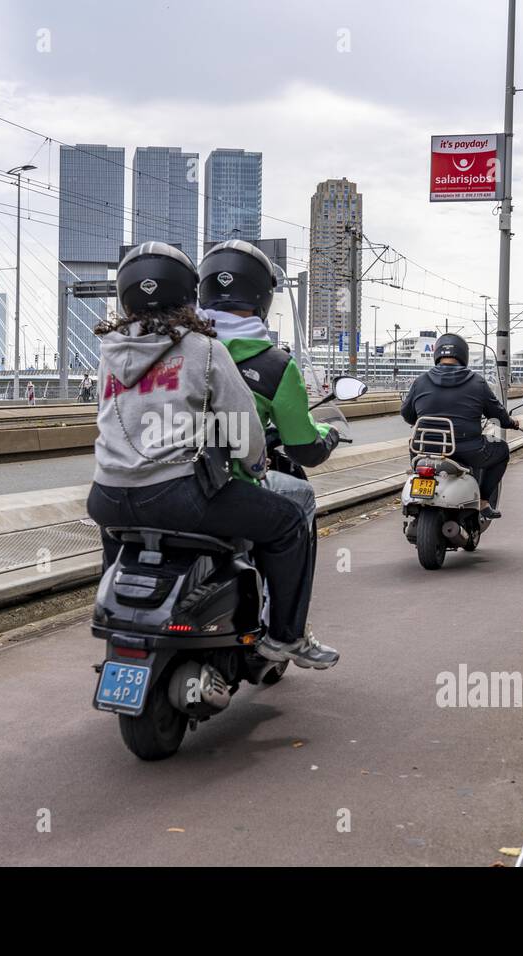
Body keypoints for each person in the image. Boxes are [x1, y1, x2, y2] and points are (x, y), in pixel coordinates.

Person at [87, 241, 338, 669]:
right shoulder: (204, 350)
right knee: (287, 521)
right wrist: (256, 467)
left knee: (122, 532)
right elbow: (245, 432)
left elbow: (106, 416)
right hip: (178, 495)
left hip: (106, 497)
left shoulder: (109, 354)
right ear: (189, 294)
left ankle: (122, 625)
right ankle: (285, 636)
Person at [197, 239, 341, 526]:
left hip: (164, 485)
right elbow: (303, 447)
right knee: (302, 496)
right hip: (229, 487)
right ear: (263, 294)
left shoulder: (180, 348)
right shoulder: (274, 364)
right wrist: (327, 435)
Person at [400, 333, 522, 519]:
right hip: (467, 449)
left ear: (437, 354)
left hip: (424, 448)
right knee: (502, 450)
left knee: (414, 447)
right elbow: (498, 414)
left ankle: (417, 485)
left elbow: (407, 415)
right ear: (463, 355)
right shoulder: (477, 382)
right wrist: (511, 423)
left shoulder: (420, 381)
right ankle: (483, 501)